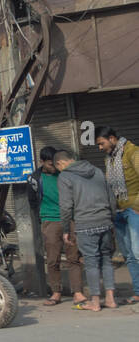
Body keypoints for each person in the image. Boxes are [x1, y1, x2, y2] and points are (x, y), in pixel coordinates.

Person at [55, 149, 118, 311]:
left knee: (91, 262)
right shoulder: (96, 171)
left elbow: (66, 205)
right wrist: (111, 218)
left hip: (85, 223)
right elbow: (111, 197)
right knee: (106, 259)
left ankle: (95, 302)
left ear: (60, 163)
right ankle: (110, 298)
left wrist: (66, 228)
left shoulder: (65, 176)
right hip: (105, 220)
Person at [29, 146, 85, 306]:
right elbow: (32, 201)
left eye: (55, 163)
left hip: (70, 220)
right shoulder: (34, 179)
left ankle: (78, 292)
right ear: (42, 162)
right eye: (49, 164)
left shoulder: (66, 174)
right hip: (49, 221)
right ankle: (56, 292)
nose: (54, 167)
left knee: (73, 258)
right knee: (53, 260)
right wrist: (42, 217)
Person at [98, 126, 139, 303]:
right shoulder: (110, 159)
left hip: (134, 210)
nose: (100, 148)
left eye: (102, 143)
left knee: (138, 253)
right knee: (129, 255)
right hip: (119, 212)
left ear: (112, 138)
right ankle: (138, 291)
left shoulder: (133, 152)